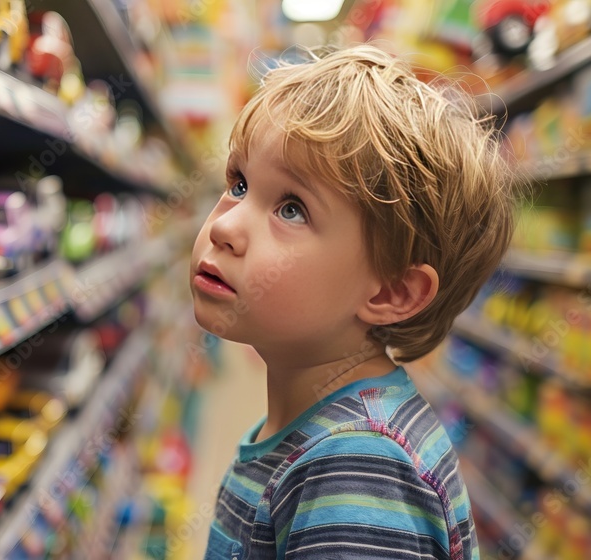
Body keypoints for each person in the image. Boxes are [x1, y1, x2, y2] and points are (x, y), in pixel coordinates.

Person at [192, 44, 517, 560]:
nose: (225, 226)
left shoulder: (356, 464)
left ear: (391, 292)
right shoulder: (320, 428)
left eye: (292, 209)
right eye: (239, 183)